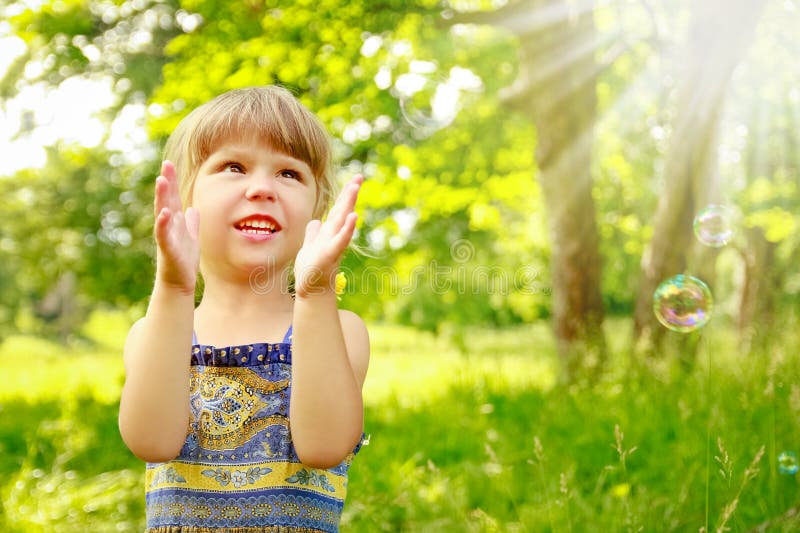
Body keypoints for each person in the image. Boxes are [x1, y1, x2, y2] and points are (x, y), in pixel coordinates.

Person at [118, 86, 370, 533]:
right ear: (186, 195)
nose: (262, 189)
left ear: (319, 208)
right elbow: (151, 441)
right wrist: (174, 289)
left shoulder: (340, 330)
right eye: (233, 167)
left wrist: (315, 293)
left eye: (290, 173)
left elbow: (324, 446)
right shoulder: (153, 332)